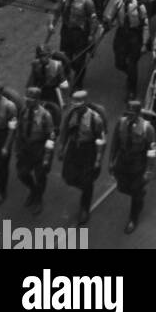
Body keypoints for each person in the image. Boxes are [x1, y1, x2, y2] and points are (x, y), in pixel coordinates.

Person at [58, 90, 107, 224]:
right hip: (73, 147)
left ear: (85, 103)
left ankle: (84, 208)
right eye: (74, 104)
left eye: (78, 104)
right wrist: (62, 148)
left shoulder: (95, 119)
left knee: (87, 181)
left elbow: (101, 140)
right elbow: (65, 131)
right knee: (68, 177)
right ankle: (84, 186)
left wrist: (98, 159)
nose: (76, 107)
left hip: (88, 150)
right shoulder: (70, 115)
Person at [109, 99, 156, 234]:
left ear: (138, 113)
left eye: (131, 114)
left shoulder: (147, 129)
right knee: (123, 187)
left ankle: (133, 218)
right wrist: (111, 161)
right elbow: (115, 143)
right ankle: (138, 193)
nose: (128, 116)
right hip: (123, 161)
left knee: (136, 192)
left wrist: (148, 171)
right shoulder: (121, 123)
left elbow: (152, 151)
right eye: (127, 113)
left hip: (138, 163)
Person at [49, 0, 99, 90]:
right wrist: (51, 24)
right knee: (64, 57)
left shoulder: (86, 0)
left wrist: (92, 34)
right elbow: (56, 12)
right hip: (66, 31)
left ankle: (78, 83)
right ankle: (65, 77)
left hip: (80, 34)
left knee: (79, 60)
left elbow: (93, 18)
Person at [14, 88, 57, 215]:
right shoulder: (23, 111)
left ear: (38, 100)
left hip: (40, 149)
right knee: (22, 174)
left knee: (40, 177)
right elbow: (19, 129)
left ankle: (39, 199)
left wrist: (47, 157)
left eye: (31, 99)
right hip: (26, 148)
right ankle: (32, 190)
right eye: (26, 97)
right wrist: (18, 147)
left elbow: (51, 136)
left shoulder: (45, 115)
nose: (27, 100)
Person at [105, 0, 151, 99]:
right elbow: (110, 16)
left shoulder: (139, 6)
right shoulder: (118, 4)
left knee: (132, 64)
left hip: (134, 36)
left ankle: (132, 90)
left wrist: (145, 43)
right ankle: (130, 75)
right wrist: (108, 22)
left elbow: (145, 25)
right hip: (121, 35)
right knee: (119, 63)